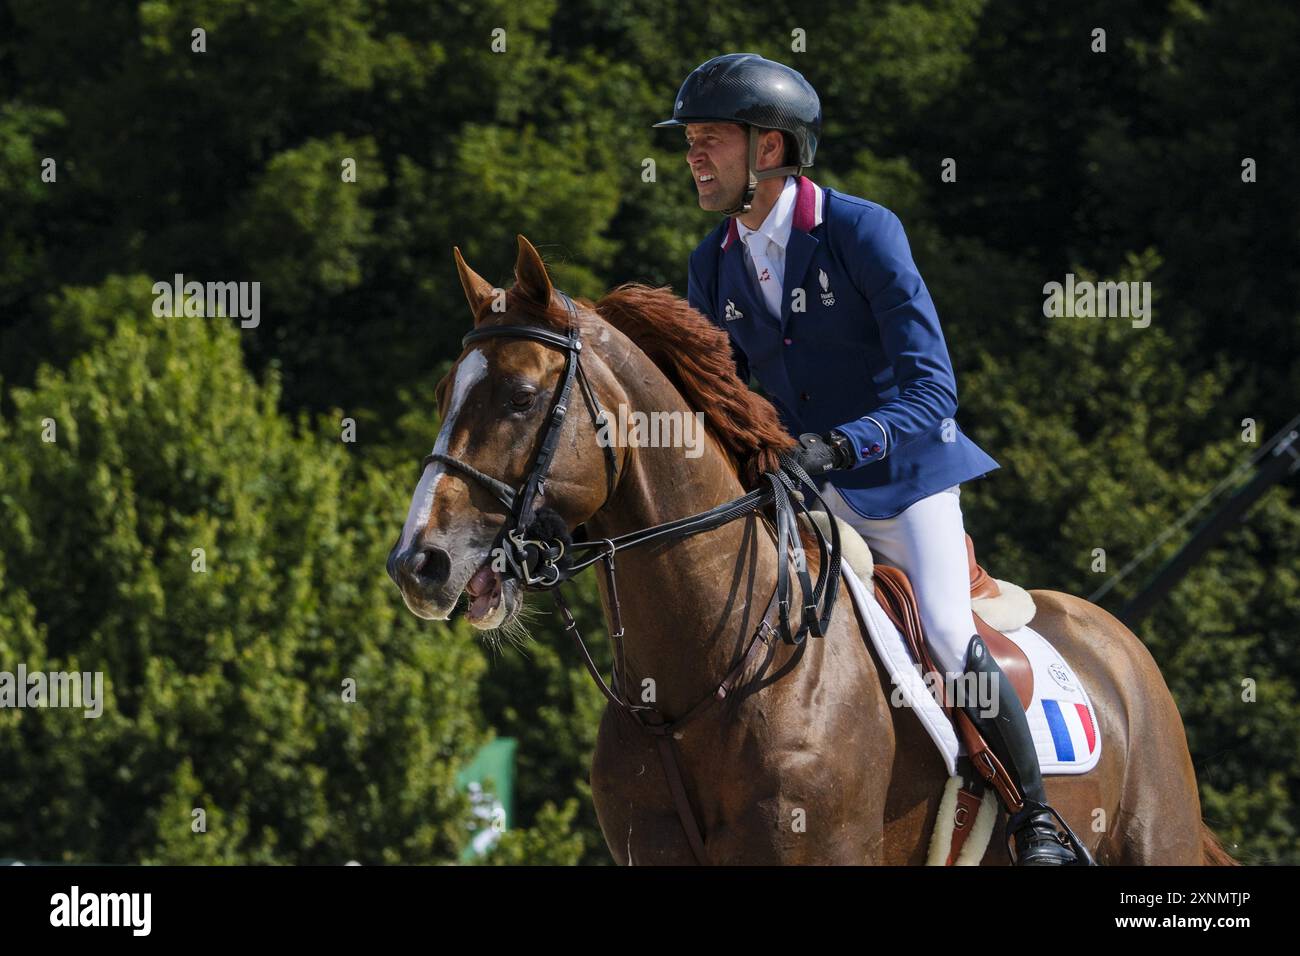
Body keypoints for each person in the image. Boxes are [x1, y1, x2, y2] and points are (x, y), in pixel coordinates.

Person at [656, 52, 1080, 865]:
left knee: (951, 631)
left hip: (899, 481)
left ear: (770, 149)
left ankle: (1038, 821)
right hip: (797, 492)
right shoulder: (712, 263)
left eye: (710, 139)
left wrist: (846, 443)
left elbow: (933, 390)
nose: (693, 157)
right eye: (690, 142)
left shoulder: (859, 231)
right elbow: (727, 399)